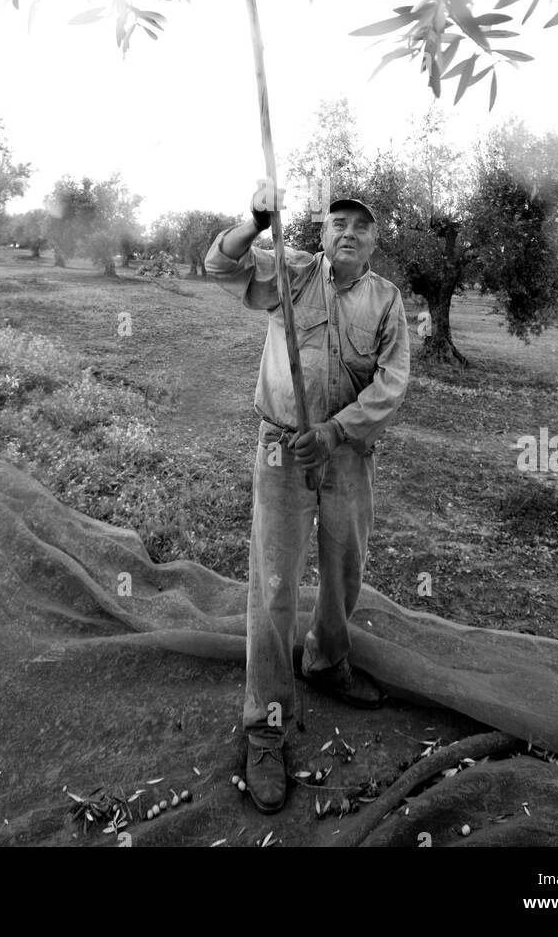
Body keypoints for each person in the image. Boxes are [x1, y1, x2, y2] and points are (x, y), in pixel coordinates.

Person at [205, 194, 411, 814]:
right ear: (321, 234)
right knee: (273, 583)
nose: (348, 234)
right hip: (282, 448)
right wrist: (256, 224)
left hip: (345, 451)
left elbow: (392, 382)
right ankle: (266, 723)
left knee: (345, 564)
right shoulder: (291, 272)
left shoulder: (387, 300)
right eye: (337, 224)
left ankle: (327, 661)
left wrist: (336, 431)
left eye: (361, 228)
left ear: (374, 243)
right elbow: (220, 266)